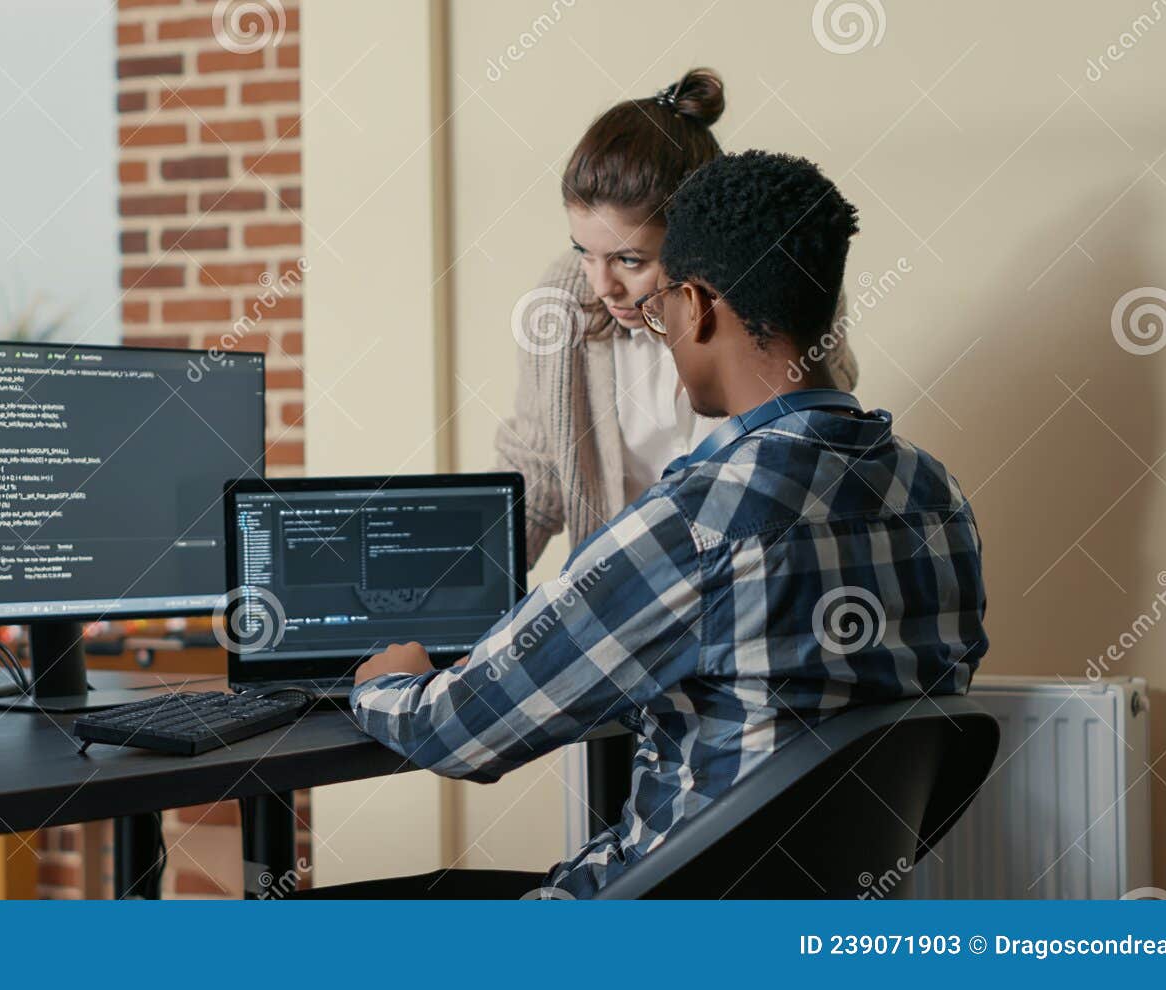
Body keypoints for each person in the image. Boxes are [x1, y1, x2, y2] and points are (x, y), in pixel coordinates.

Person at [326, 150, 988, 899]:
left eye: (660, 300)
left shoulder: (697, 523)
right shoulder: (938, 496)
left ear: (695, 305)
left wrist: (389, 684)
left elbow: (457, 731)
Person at [498, 68, 858, 568]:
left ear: (691, 243)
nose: (602, 286)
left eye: (629, 260)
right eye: (584, 252)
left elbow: (818, 446)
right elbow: (537, 479)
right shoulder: (562, 304)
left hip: (758, 575)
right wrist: (461, 590)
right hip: (626, 588)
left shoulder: (772, 291)